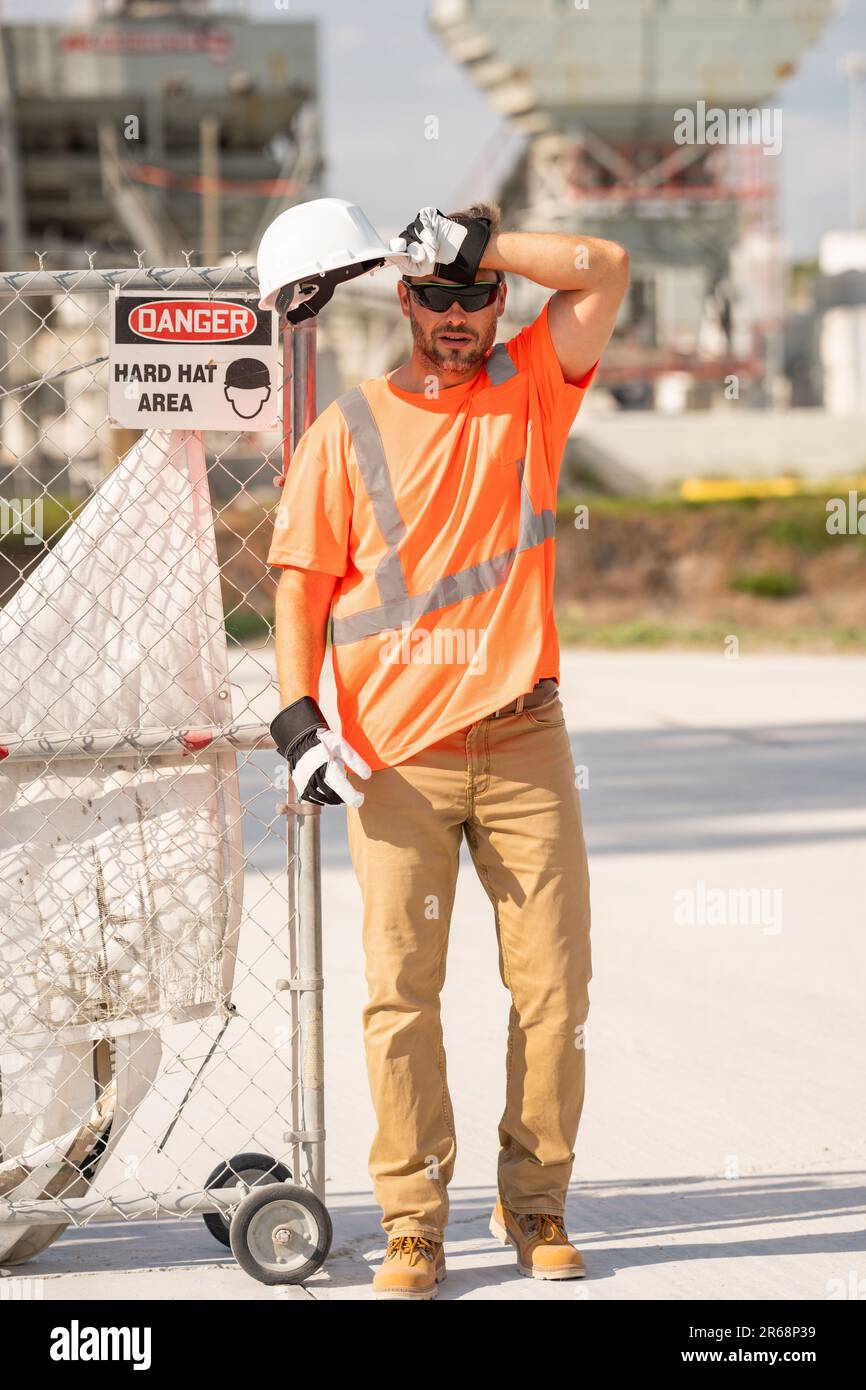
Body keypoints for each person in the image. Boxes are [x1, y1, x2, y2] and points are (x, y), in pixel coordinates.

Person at [267, 204, 629, 1299]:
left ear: (497, 297)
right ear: (404, 299)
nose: (459, 314)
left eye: (476, 293)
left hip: (523, 737)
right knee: (398, 995)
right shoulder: (350, 427)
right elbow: (300, 584)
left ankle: (535, 1205)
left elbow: (603, 267)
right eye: (438, 294)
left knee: (554, 988)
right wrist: (297, 720)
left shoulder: (532, 389)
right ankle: (412, 1223)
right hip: (395, 758)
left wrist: (473, 241)